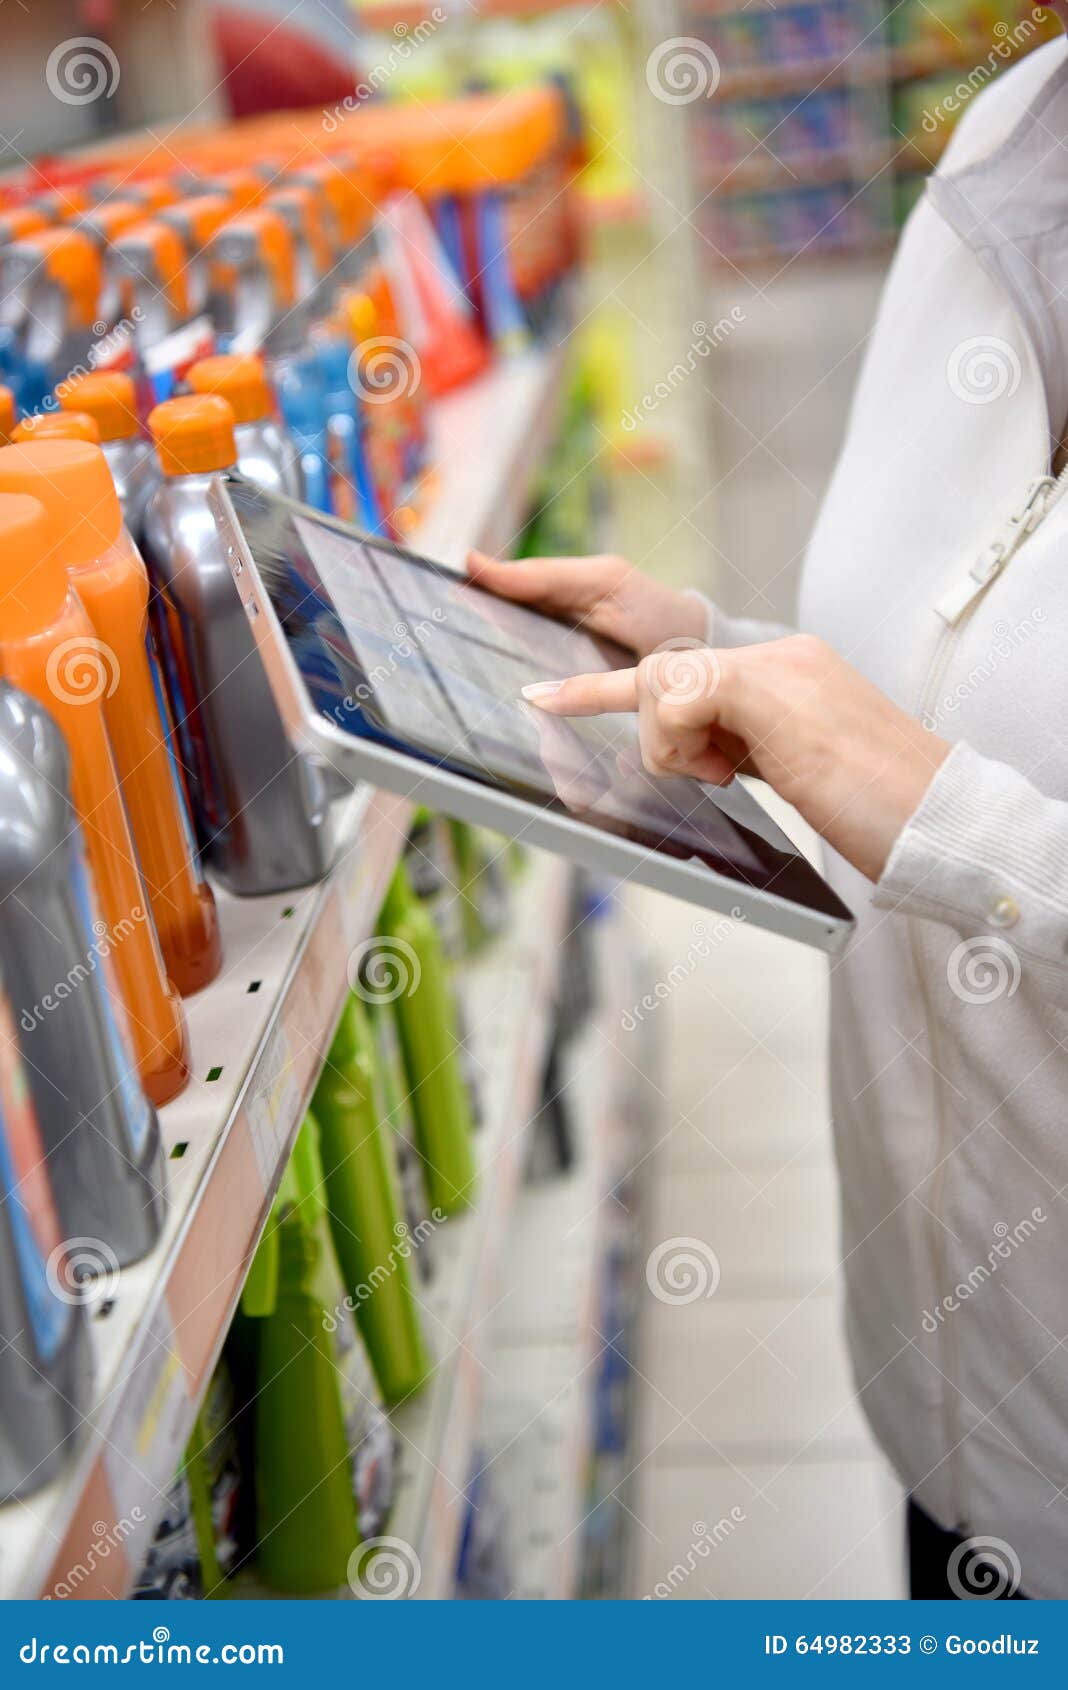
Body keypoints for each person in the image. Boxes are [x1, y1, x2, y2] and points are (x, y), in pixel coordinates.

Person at [469, 16, 1068, 1602]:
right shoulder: (1020, 140)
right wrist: (719, 659)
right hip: (966, 1402)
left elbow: (958, 782)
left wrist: (923, 800)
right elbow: (975, 645)